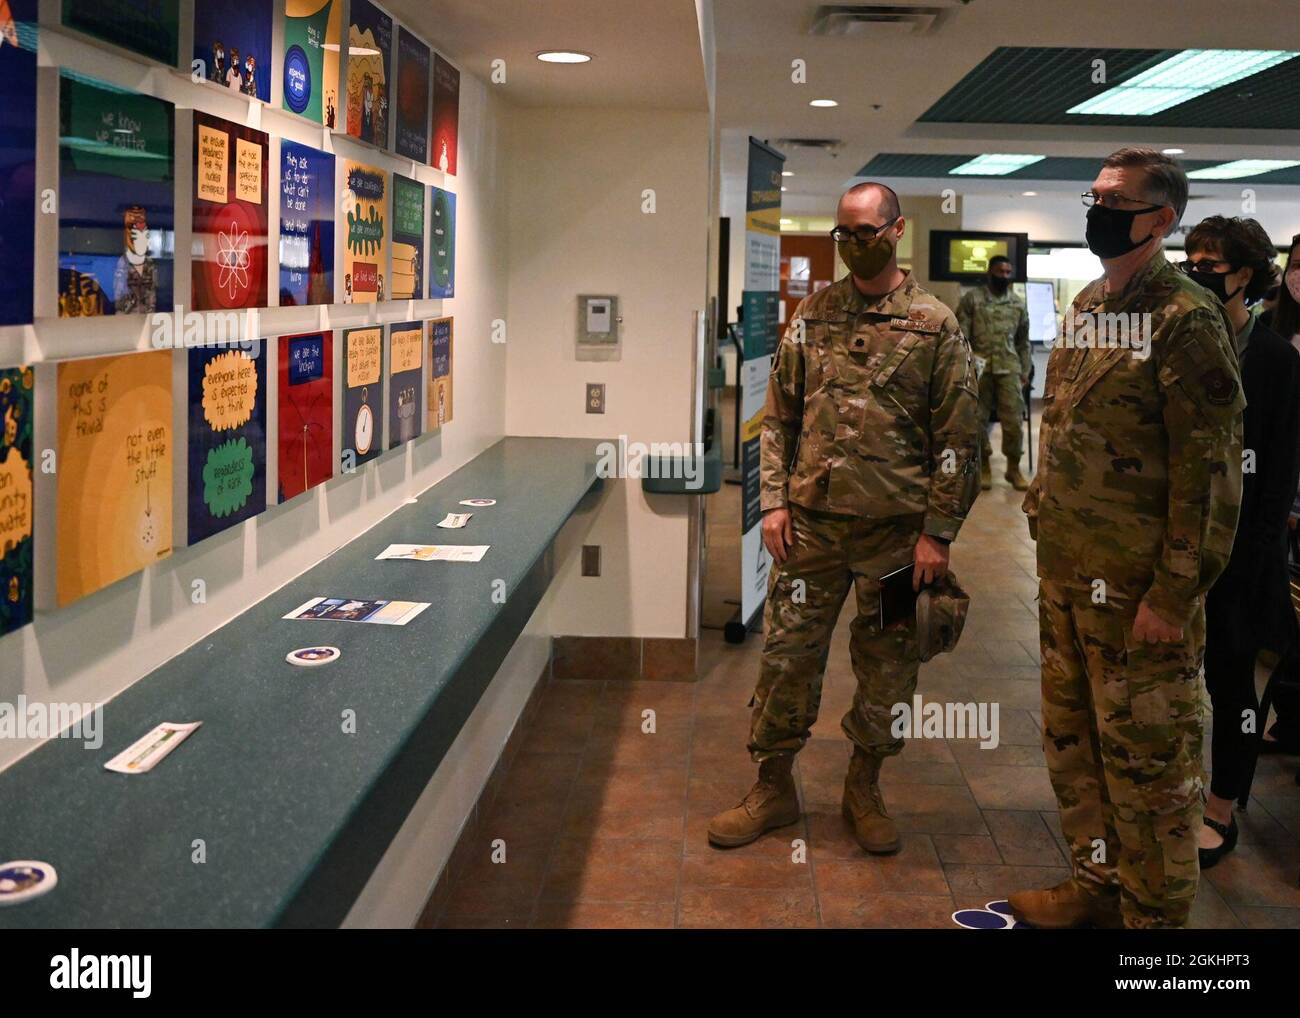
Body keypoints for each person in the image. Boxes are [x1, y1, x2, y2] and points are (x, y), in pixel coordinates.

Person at [707, 182, 980, 854]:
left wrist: (936, 533)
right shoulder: (815, 313)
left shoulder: (933, 324)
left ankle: (864, 786)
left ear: (896, 231)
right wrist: (772, 501)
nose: (854, 245)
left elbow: (958, 441)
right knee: (786, 659)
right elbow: (780, 417)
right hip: (814, 531)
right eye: (844, 234)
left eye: (865, 232)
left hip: (895, 538)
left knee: (888, 665)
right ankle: (773, 787)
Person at [1013, 148, 1244, 929]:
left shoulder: (1186, 320)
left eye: (1116, 199)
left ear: (1161, 218)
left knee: (1151, 769)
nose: (1099, 209)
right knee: (1074, 746)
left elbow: (1209, 474)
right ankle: (1094, 885)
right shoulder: (1087, 306)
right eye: (1096, 195)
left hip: (1142, 595)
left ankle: (1156, 927)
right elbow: (1073, 424)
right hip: (1069, 580)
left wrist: (1176, 594)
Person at [1182, 217, 1300, 869]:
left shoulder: (1275, 358)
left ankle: (1220, 808)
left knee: (1231, 684)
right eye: (1191, 257)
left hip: (1239, 552)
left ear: (1246, 274)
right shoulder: (1180, 338)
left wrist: (1252, 558)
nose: (1197, 269)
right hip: (1175, 544)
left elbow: (1277, 469)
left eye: (1211, 261)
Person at [956, 255, 1031, 491]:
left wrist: (1025, 370)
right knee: (977, 420)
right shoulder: (972, 299)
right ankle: (984, 466)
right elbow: (961, 338)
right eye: (1000, 271)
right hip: (980, 369)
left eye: (1009, 272)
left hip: (1009, 367)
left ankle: (1013, 468)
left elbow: (1023, 341)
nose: (1005, 276)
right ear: (990, 272)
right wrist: (964, 368)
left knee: (1014, 421)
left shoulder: (1018, 304)